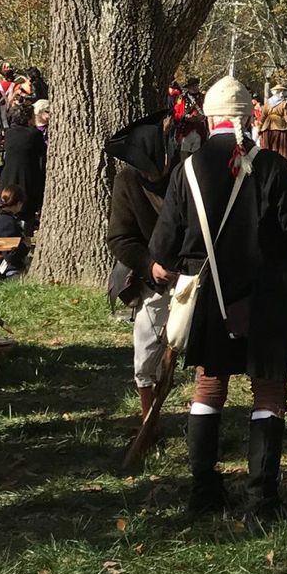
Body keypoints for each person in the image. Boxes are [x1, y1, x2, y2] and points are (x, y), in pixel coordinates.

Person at [149, 78, 287, 521]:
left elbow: (163, 249)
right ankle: (262, 503)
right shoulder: (270, 165)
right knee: (268, 391)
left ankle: (203, 491)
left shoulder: (187, 170)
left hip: (212, 296)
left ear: (210, 120)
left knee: (209, 387)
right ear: (249, 118)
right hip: (269, 296)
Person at [106, 111, 171, 423]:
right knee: (147, 346)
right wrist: (151, 266)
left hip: (193, 273)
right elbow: (120, 238)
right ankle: (150, 420)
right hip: (154, 278)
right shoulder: (127, 182)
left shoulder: (187, 173)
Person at [0, 99, 48, 229]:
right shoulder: (34, 134)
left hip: (8, 174)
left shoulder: (9, 133)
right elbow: (41, 154)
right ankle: (26, 233)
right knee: (27, 208)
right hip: (28, 174)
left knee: (9, 202)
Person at [258, 94, 287, 160]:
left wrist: (259, 128)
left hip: (267, 126)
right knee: (280, 149)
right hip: (280, 127)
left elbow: (263, 116)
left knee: (268, 147)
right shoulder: (284, 103)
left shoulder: (267, 103)